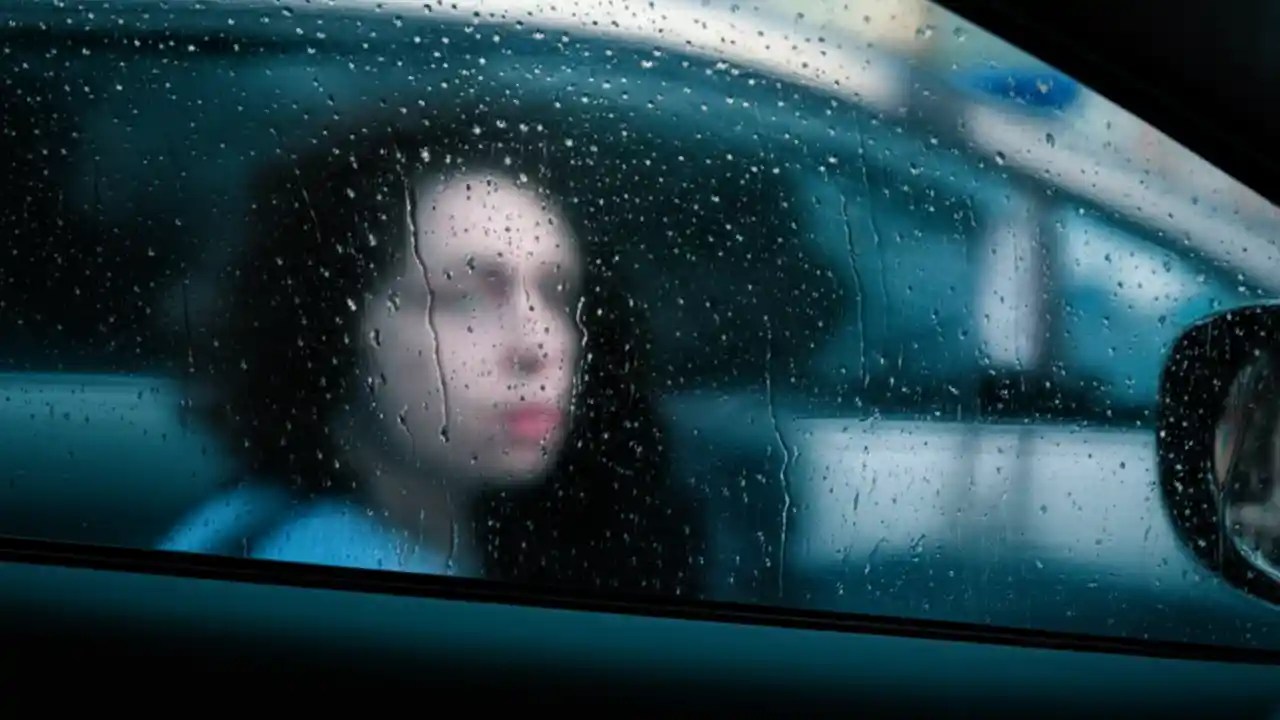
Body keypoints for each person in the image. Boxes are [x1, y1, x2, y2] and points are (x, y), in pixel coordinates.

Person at [159, 122, 705, 597]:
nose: (540, 346)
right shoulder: (324, 575)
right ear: (333, 328)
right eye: (465, 296)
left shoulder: (272, 525)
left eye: (558, 294)